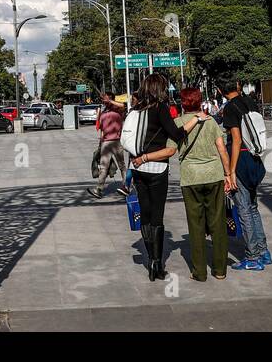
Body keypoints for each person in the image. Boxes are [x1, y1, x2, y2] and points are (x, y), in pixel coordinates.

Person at [122, 72, 208, 280]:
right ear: (159, 89)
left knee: (145, 213)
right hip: (157, 168)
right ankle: (157, 264)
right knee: (157, 216)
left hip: (138, 168)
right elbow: (176, 135)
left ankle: (150, 257)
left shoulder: (137, 109)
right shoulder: (159, 108)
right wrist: (196, 119)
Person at [168, 86, 231, 281]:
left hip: (190, 178)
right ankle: (220, 270)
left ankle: (200, 271)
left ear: (182, 102)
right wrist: (228, 173)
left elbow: (170, 149)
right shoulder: (210, 121)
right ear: (199, 101)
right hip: (213, 175)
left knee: (195, 225)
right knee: (218, 222)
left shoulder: (177, 123)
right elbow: (222, 149)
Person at [222, 83, 271, 270]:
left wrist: (231, 171)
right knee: (253, 207)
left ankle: (252, 257)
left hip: (240, 159)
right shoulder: (250, 101)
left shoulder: (229, 108)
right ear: (236, 84)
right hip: (255, 158)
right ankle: (263, 251)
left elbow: (236, 139)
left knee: (243, 209)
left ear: (220, 91)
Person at [89, 91, 129, 199]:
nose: (104, 101)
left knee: (122, 166)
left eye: (107, 99)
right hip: (105, 143)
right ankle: (99, 189)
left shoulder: (118, 110)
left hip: (116, 141)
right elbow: (102, 130)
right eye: (104, 100)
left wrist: (110, 101)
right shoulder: (103, 112)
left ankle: (126, 187)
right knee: (103, 167)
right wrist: (101, 143)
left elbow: (124, 105)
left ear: (111, 99)